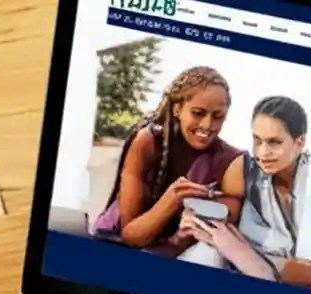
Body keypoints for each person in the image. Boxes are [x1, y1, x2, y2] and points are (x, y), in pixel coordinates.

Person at [92, 66, 241, 255]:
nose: (207, 125)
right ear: (177, 109)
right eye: (198, 113)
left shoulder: (231, 161)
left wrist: (179, 240)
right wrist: (174, 198)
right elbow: (131, 235)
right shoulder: (149, 142)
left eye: (218, 117)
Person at [182, 96, 311, 286]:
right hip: (235, 266)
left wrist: (242, 254)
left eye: (274, 142)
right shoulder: (244, 168)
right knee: (206, 253)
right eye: (257, 140)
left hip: (276, 280)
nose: (263, 153)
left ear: (300, 142)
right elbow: (226, 216)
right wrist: (198, 221)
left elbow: (310, 273)